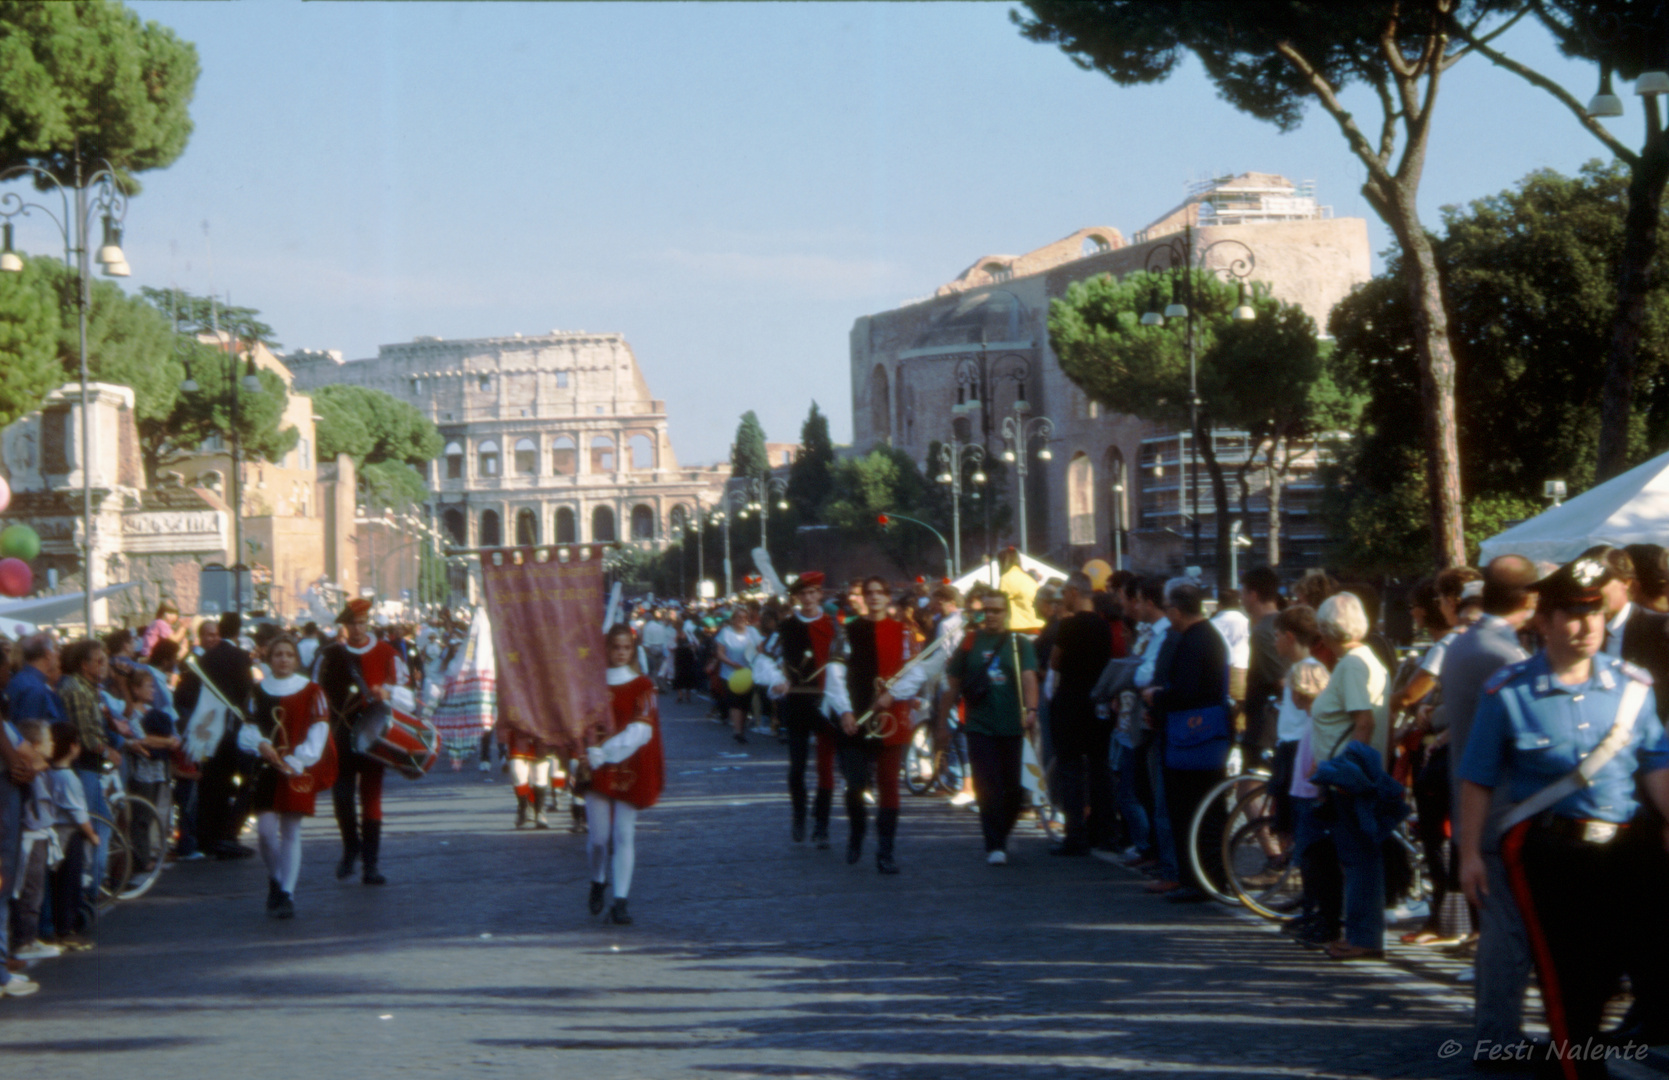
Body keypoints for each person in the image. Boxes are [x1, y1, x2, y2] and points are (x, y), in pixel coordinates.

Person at [1459, 555, 1669, 1080]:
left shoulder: (1633, 687)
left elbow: (1657, 760)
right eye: (1572, 615)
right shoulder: (1508, 692)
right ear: (1543, 622)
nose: (1586, 626)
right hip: (1553, 854)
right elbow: (1477, 778)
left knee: (1635, 965)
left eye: (1594, 613)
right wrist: (1467, 854)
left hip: (1627, 849)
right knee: (1572, 978)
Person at [1308, 592, 1393, 959]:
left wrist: (1348, 774)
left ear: (1327, 630)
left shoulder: (1353, 664)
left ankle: (1363, 937)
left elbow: (1364, 721)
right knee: (1359, 857)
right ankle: (1362, 933)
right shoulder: (1363, 660)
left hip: (1352, 779)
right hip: (1356, 775)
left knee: (1358, 859)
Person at [1145, 582, 1232, 903]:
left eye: (1169, 609)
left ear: (1176, 611)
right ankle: (1208, 877)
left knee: (1191, 811)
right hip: (1203, 736)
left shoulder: (1195, 641)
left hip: (1192, 737)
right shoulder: (1206, 636)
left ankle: (1198, 879)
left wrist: (1157, 696)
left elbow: (1186, 691)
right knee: (1204, 811)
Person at [826, 577, 918, 874]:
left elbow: (914, 673)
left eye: (881, 592)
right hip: (855, 718)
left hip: (891, 718)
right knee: (855, 785)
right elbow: (835, 675)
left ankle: (886, 850)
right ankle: (857, 833)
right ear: (863, 598)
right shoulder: (847, 631)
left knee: (890, 783)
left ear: (888, 597)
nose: (876, 597)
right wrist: (845, 711)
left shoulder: (904, 632)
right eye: (870, 593)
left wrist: (893, 695)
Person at [939, 593, 1039, 864]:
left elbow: (1029, 677)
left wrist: (1031, 710)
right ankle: (994, 843)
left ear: (1006, 612)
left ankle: (1002, 834)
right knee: (987, 785)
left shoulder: (1019, 643)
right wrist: (941, 723)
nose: (992, 615)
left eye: (997, 610)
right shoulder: (970, 642)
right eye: (987, 610)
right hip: (979, 725)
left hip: (1012, 726)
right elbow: (953, 681)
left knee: (1014, 790)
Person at [244, 636, 335, 919]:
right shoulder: (258, 691)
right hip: (265, 769)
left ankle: (287, 893)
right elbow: (246, 727)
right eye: (278, 654)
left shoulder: (312, 690)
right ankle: (276, 878)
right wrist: (259, 743)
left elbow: (319, 730)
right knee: (266, 833)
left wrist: (299, 759)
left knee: (291, 831)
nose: (283, 659)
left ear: (296, 660)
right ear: (269, 659)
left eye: (288, 655)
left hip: (297, 769)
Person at [316, 597, 401, 885]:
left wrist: (387, 693)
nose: (358, 628)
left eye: (362, 622)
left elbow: (407, 691)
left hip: (374, 733)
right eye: (352, 623)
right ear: (344, 625)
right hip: (341, 733)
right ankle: (351, 847)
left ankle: (371, 864)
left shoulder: (387, 652)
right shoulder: (330, 655)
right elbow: (317, 692)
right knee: (341, 796)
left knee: (371, 796)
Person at [586, 624, 665, 926]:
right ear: (605, 649)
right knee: (599, 838)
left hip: (629, 765)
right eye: (615, 647)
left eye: (626, 648)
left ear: (632, 650)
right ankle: (597, 880)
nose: (620, 653)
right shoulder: (589, 684)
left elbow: (642, 730)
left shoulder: (642, 685)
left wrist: (604, 751)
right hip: (594, 768)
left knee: (623, 834)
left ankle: (620, 901)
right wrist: (585, 752)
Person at [175, 613, 258, 861]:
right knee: (243, 780)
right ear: (238, 631)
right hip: (230, 729)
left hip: (208, 729)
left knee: (210, 784)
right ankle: (226, 834)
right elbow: (246, 691)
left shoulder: (204, 657)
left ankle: (208, 836)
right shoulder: (240, 657)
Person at [769, 572, 841, 846]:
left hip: (827, 702)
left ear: (820, 594)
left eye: (813, 593)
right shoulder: (786, 626)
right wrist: (777, 679)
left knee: (825, 766)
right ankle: (799, 813)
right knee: (797, 766)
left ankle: (821, 825)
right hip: (797, 701)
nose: (808, 599)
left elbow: (844, 663)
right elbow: (767, 658)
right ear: (796, 598)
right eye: (803, 594)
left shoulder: (834, 626)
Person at [1048, 571, 1115, 856]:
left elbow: (1054, 660)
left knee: (1071, 770)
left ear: (1075, 592)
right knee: (1101, 769)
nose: (1063, 599)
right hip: (1097, 702)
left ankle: (1075, 833)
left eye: (1064, 593)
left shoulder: (1068, 626)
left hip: (1070, 702)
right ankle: (1105, 831)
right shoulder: (1103, 626)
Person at [44, 720, 99, 953]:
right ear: (73, 746)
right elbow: (79, 814)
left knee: (56, 884)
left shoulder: (48, 772)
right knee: (70, 882)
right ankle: (66, 930)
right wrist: (93, 836)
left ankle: (56, 926)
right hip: (71, 835)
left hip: (53, 833)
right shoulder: (69, 778)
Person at [714, 607, 758, 745]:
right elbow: (720, 653)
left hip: (748, 674)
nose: (741, 620)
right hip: (729, 674)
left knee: (745, 704)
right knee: (735, 703)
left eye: (744, 618)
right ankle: (737, 731)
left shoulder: (752, 632)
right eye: (738, 618)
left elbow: (760, 649)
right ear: (733, 619)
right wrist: (731, 663)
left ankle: (741, 729)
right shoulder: (725, 633)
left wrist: (756, 659)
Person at [997, 548, 1045, 633]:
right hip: (1036, 625)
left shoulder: (1006, 578)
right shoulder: (1027, 578)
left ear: (1003, 562)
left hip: (1017, 627)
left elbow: (1000, 603)